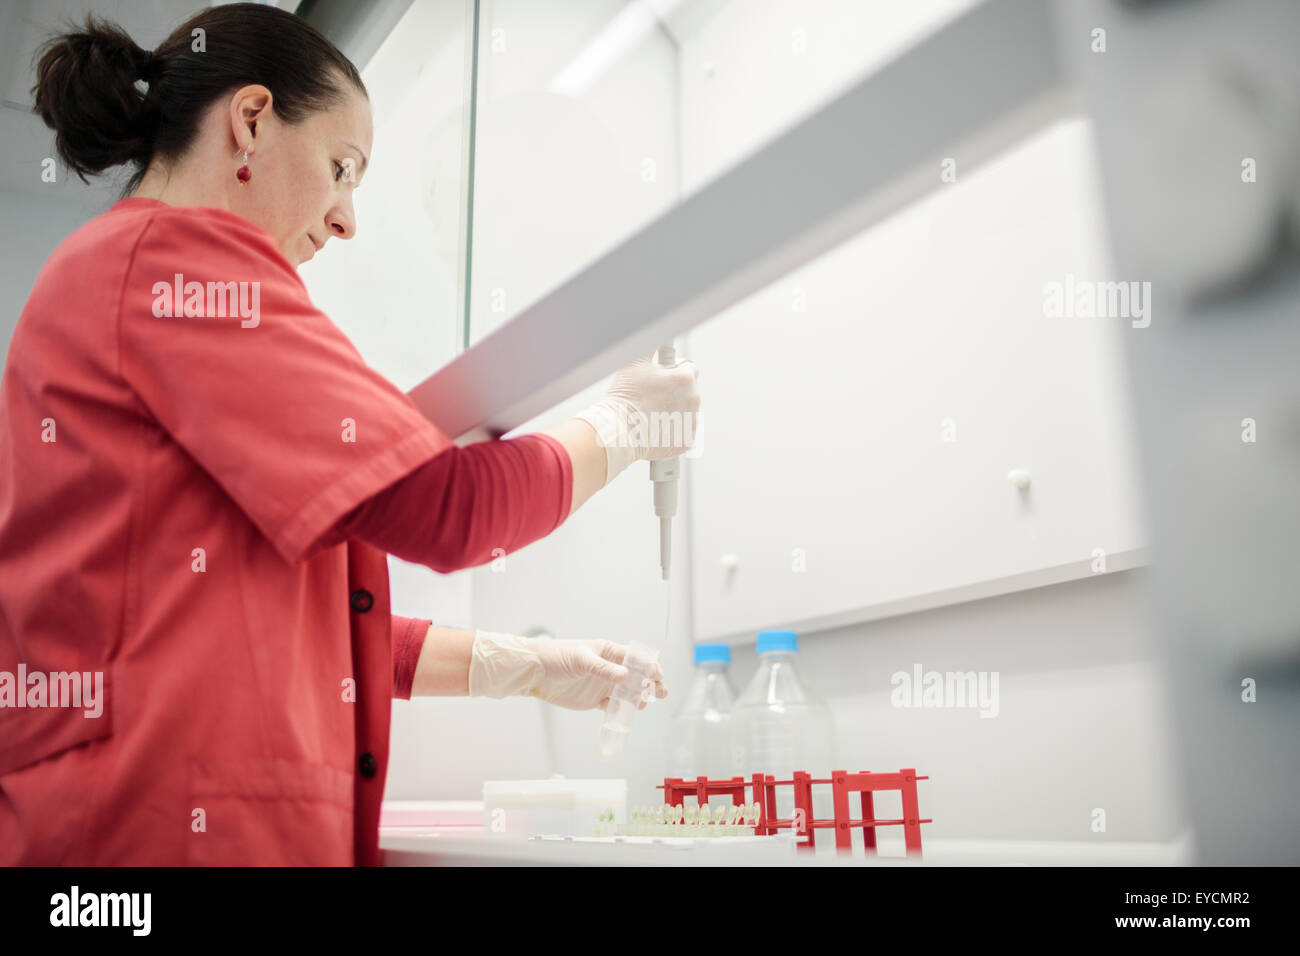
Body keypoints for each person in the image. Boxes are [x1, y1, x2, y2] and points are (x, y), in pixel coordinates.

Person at [0, 3, 699, 865]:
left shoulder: (124, 273)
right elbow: (451, 508)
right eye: (340, 168)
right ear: (251, 120)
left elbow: (317, 627)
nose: (344, 219)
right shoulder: (173, 267)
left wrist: (523, 664)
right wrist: (626, 426)